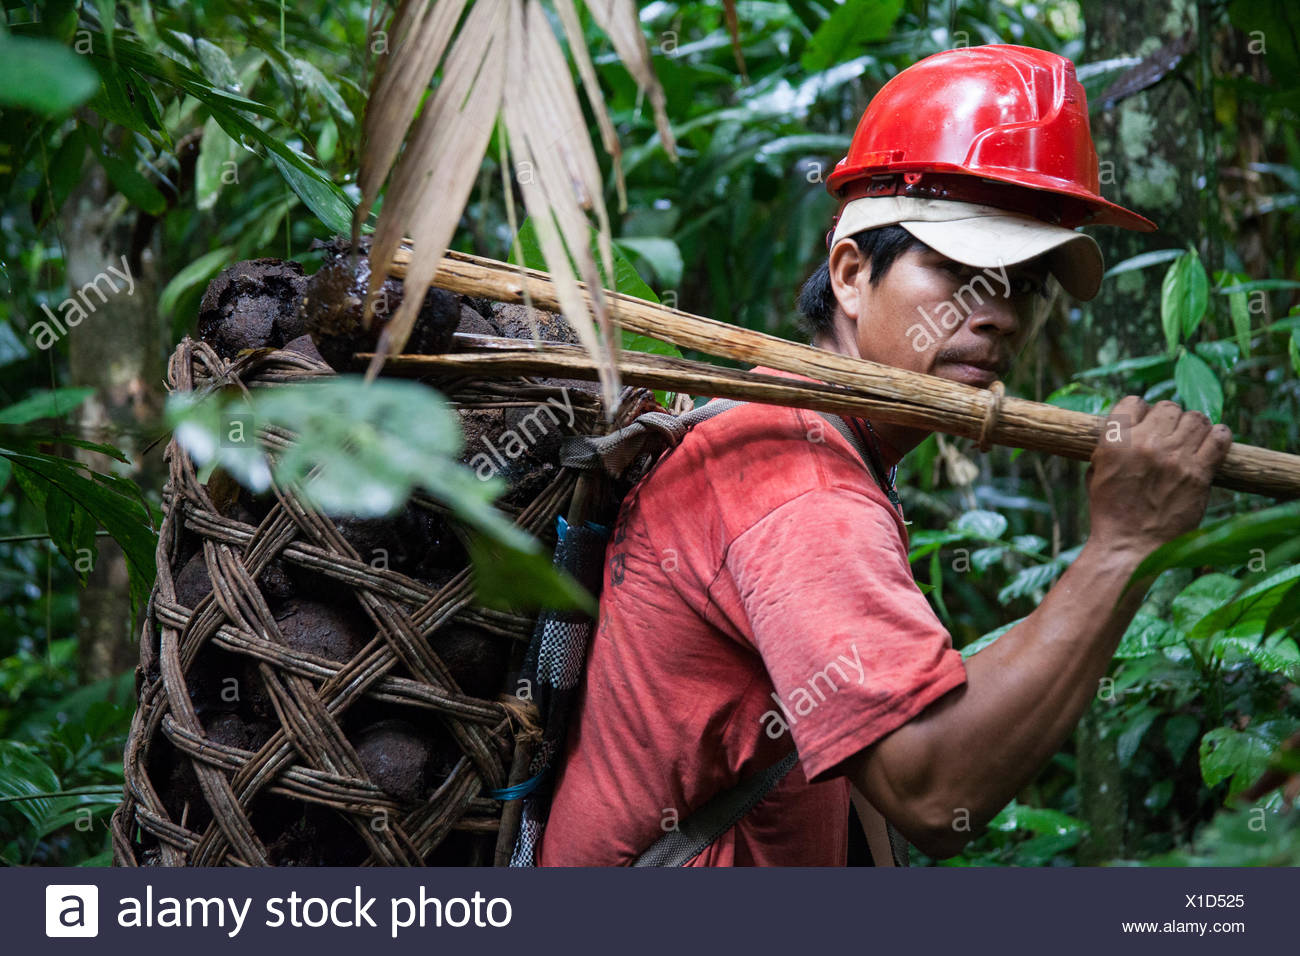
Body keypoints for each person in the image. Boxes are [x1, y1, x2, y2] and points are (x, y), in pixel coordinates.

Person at [535, 44, 1233, 866]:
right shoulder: (799, 485)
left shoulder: (789, 419)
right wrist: (1123, 547)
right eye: (962, 270)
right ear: (852, 274)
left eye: (1027, 283)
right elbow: (933, 791)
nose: (998, 314)